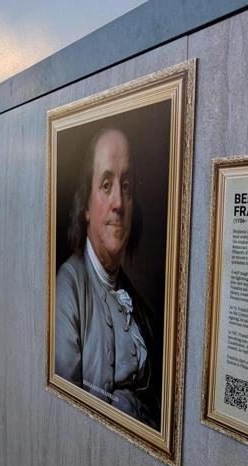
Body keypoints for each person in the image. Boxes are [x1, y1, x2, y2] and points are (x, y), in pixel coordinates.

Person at [55, 127, 159, 429]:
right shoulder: (69, 287)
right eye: (105, 185)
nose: (119, 203)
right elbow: (68, 413)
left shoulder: (139, 309)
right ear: (86, 205)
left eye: (125, 186)